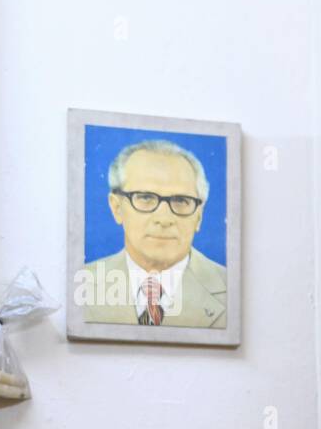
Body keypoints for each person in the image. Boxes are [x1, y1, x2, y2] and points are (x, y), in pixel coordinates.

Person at [79, 139, 227, 327]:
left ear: (199, 216)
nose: (164, 219)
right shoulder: (81, 283)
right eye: (146, 197)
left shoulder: (233, 290)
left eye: (181, 200)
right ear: (116, 208)